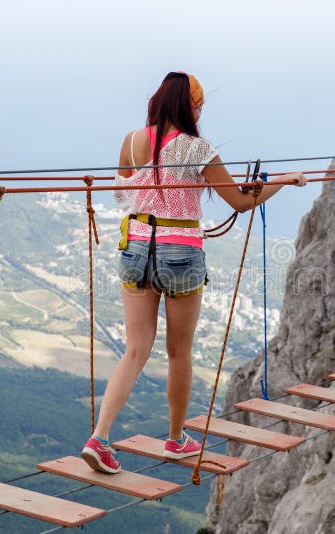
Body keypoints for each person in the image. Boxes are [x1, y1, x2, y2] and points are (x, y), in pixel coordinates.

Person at [81, 71, 306, 473]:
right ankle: (176, 439)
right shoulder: (197, 148)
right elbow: (239, 200)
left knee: (135, 349)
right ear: (192, 106)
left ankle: (99, 438)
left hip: (135, 245)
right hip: (180, 251)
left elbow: (119, 194)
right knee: (178, 353)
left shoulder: (133, 140)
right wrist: (284, 183)